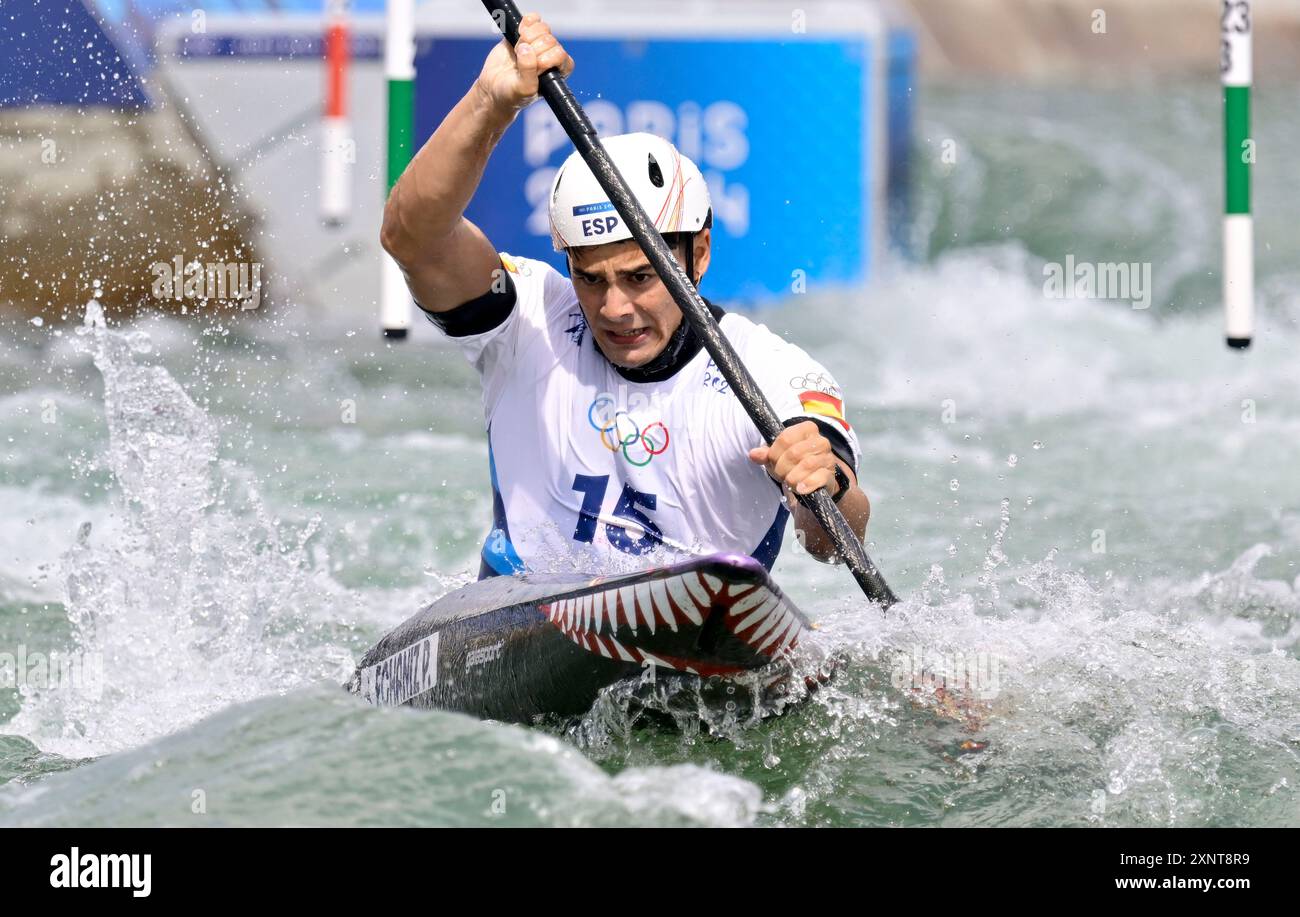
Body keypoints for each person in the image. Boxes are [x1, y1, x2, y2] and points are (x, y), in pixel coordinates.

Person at [380, 12, 869, 579]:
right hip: (520, 619)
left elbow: (833, 542)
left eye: (640, 277)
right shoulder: (528, 320)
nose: (614, 309)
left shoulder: (773, 373)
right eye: (590, 278)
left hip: (701, 639)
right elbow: (412, 237)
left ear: (700, 252)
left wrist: (823, 484)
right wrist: (492, 102)